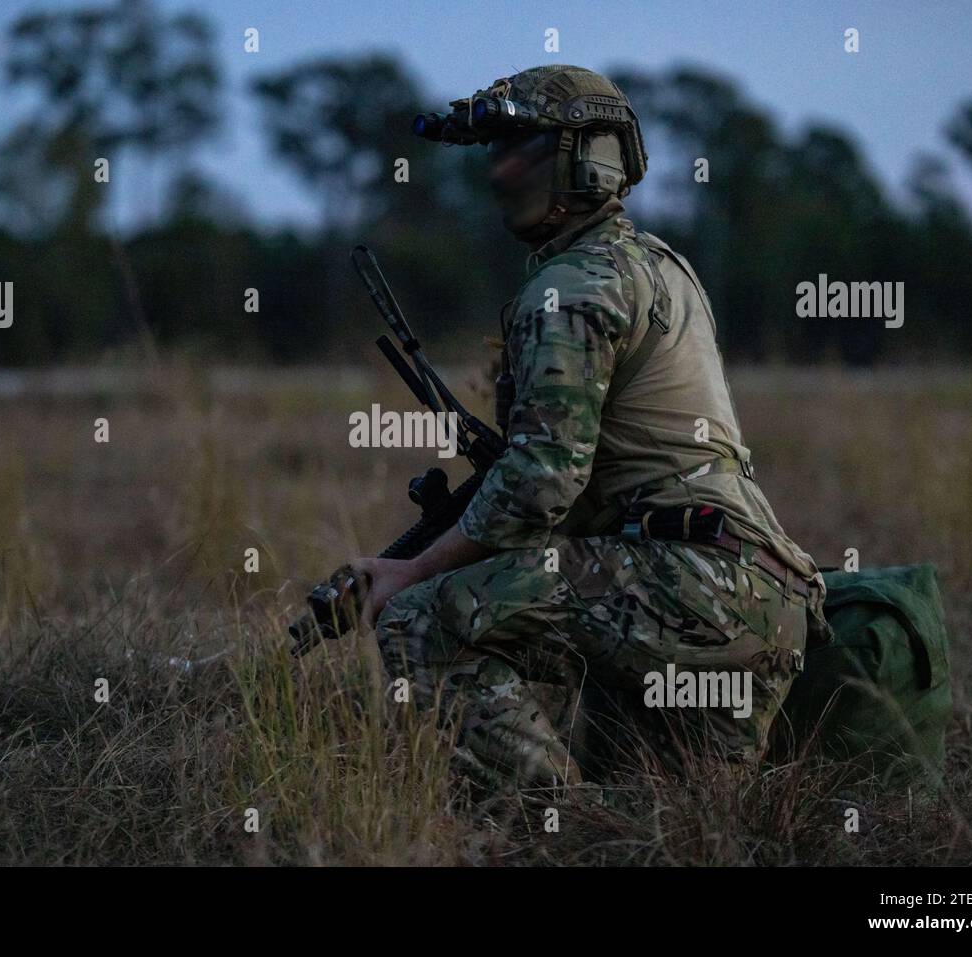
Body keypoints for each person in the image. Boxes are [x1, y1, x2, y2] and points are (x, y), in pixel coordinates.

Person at [353, 65, 827, 792]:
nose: (499, 171)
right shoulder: (662, 267)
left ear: (587, 157)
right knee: (655, 827)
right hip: (759, 601)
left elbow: (541, 483)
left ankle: (553, 831)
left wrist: (411, 571)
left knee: (420, 620)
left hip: (681, 585)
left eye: (523, 146)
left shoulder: (570, 287)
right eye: (494, 150)